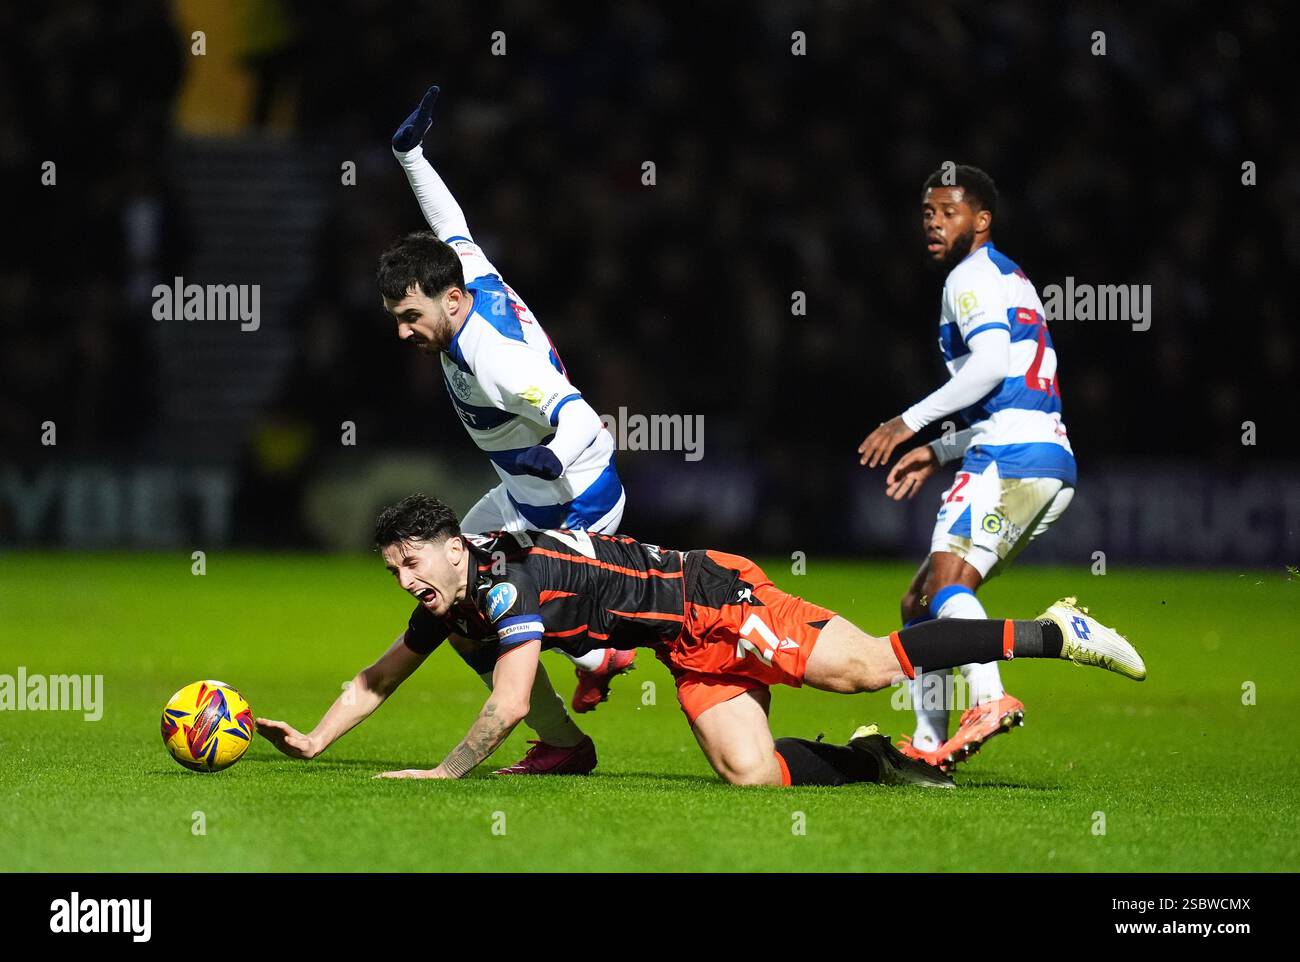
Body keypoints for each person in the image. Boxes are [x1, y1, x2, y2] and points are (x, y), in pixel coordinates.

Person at [257, 495, 1145, 788]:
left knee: (870, 665)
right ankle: (876, 762)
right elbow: (377, 678)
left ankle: (1052, 631)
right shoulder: (452, 598)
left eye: (413, 562)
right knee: (752, 776)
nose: (407, 581)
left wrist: (443, 775)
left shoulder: (503, 581)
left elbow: (511, 701)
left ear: (453, 545)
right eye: (394, 572)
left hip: (714, 599)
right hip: (684, 647)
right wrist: (313, 738)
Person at [377, 87, 635, 774]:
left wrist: (551, 459)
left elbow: (582, 418)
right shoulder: (469, 274)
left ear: (451, 301)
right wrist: (410, 156)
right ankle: (579, 692)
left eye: (410, 317)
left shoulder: (492, 360)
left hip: (573, 502)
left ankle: (597, 649)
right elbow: (449, 221)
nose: (404, 333)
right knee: (463, 588)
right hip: (524, 494)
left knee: (487, 611)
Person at [858, 165, 1077, 770]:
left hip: (1007, 458)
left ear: (981, 221)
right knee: (920, 602)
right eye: (927, 213)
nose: (933, 222)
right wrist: (941, 450)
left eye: (948, 212)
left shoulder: (971, 277)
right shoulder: (1011, 277)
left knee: (950, 586)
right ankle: (929, 748)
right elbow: (1013, 387)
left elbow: (989, 366)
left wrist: (909, 422)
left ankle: (987, 698)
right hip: (1044, 458)